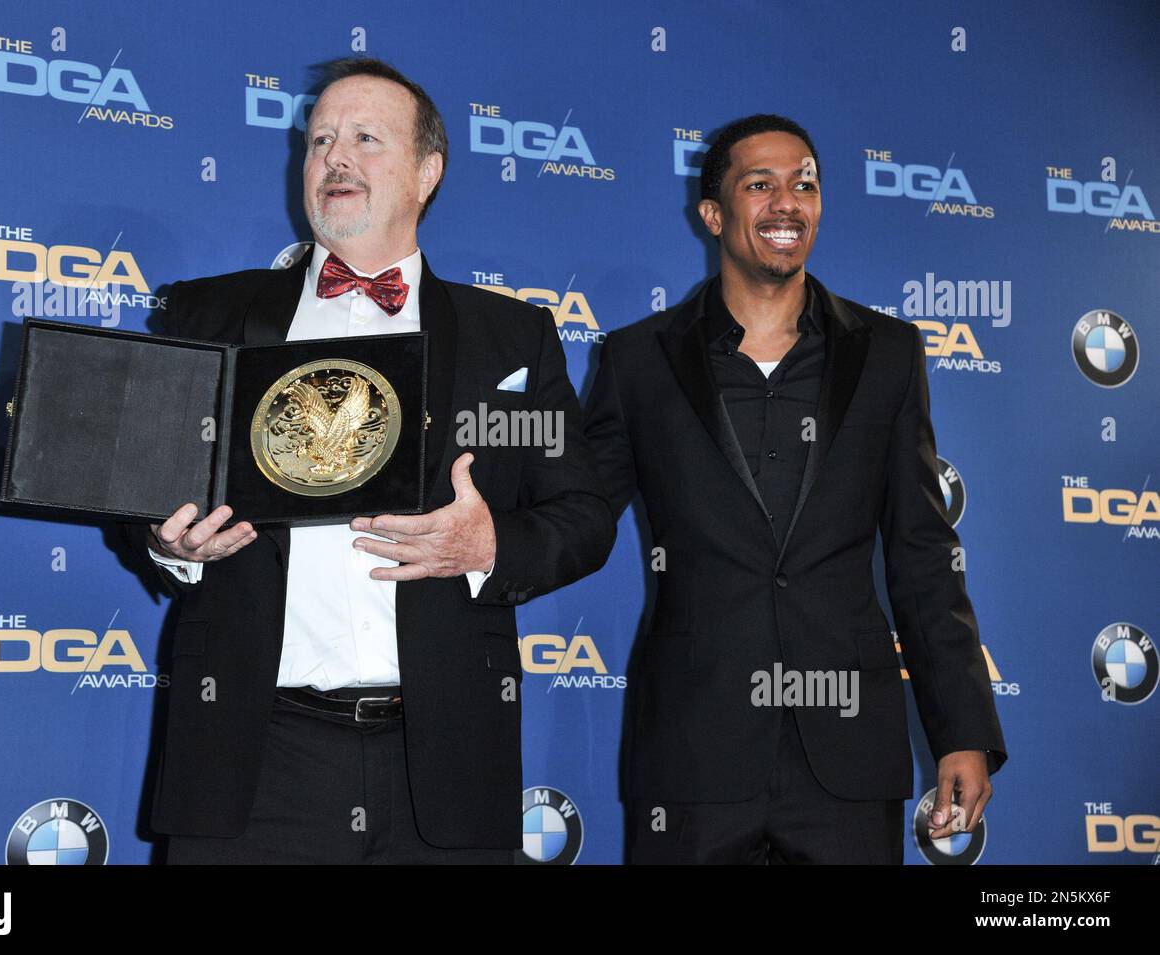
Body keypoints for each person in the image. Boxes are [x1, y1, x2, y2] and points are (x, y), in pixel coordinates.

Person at [125, 57, 614, 863]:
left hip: (446, 764)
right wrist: (167, 543)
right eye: (319, 141)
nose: (335, 158)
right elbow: (147, 497)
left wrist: (487, 547)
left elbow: (585, 517)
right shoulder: (206, 312)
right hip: (254, 760)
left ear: (428, 172)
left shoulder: (511, 339)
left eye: (364, 138)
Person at [582, 114, 1007, 864]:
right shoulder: (637, 361)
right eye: (761, 185)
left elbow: (922, 552)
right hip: (693, 753)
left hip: (845, 757)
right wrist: (489, 541)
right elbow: (580, 516)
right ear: (713, 214)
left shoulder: (888, 355)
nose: (788, 203)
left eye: (804, 183)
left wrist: (962, 729)